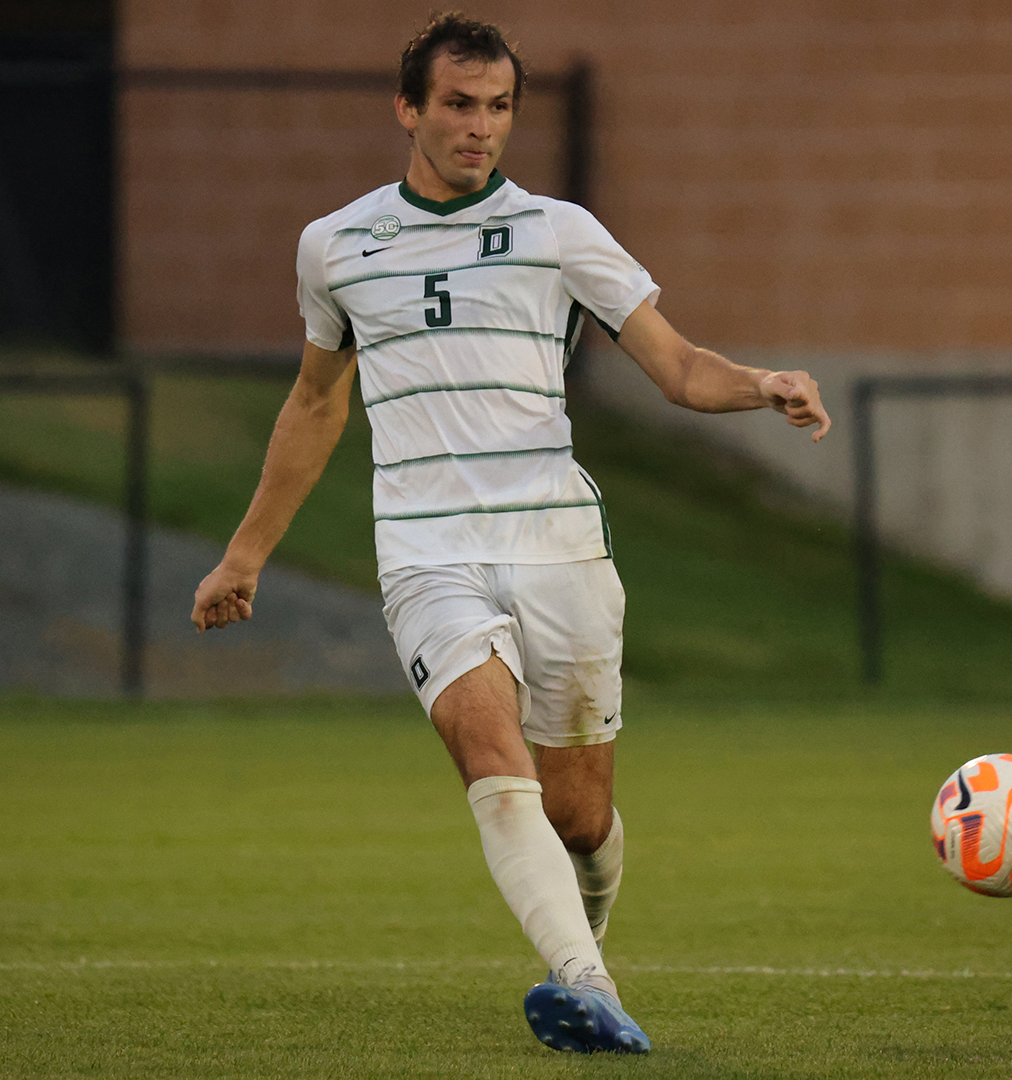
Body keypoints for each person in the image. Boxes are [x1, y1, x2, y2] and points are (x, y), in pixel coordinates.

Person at [188, 12, 829, 1056]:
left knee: (578, 817)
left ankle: (586, 937)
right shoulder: (338, 246)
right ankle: (587, 982)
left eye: (496, 109)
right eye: (456, 105)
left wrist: (763, 385)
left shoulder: (559, 231)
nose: (478, 128)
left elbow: (675, 366)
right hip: (426, 551)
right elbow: (314, 405)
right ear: (409, 108)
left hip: (557, 547)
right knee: (490, 749)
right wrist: (245, 554)